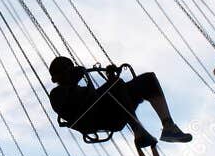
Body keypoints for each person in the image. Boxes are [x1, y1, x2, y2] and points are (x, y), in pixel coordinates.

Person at [47, 56, 192, 146]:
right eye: (65, 69)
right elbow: (83, 105)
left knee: (147, 80)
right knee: (117, 84)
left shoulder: (81, 88)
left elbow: (99, 96)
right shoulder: (56, 94)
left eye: (70, 67)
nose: (69, 70)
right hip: (94, 119)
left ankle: (168, 126)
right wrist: (75, 81)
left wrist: (110, 76)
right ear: (56, 77)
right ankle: (138, 131)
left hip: (110, 110)